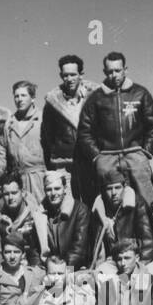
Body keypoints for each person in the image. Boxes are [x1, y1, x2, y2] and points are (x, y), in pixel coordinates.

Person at [77, 51, 153, 206]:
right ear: (104, 72)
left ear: (125, 70)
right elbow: (84, 131)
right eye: (109, 71)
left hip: (135, 156)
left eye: (117, 70)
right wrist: (97, 157)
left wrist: (146, 152)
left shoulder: (140, 93)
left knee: (146, 203)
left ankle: (150, 228)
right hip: (107, 158)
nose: (114, 75)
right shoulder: (96, 98)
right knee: (110, 204)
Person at [40, 54, 98, 201]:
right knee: (68, 207)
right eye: (65, 75)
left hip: (90, 161)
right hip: (64, 164)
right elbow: (47, 136)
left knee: (93, 204)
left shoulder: (96, 97)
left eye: (73, 74)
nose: (69, 79)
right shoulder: (52, 103)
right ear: (61, 75)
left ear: (81, 75)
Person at [88, 168, 153, 266]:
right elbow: (95, 246)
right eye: (109, 189)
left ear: (124, 187)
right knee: (104, 277)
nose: (113, 193)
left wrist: (142, 264)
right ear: (103, 190)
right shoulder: (99, 208)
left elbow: (148, 241)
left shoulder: (137, 204)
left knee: (140, 280)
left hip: (135, 258)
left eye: (117, 188)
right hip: (113, 260)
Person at [3, 80, 47, 201]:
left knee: (41, 214)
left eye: (23, 95)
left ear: (32, 98)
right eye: (16, 96)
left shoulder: (43, 119)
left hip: (39, 178)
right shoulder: (9, 123)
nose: (19, 99)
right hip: (17, 181)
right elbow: (2, 155)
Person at [38, 169, 91, 268]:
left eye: (57, 188)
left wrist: (62, 270)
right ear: (44, 191)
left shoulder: (79, 210)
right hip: (48, 268)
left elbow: (78, 249)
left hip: (73, 267)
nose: (53, 193)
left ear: (65, 189)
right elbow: (35, 250)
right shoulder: (39, 214)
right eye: (49, 190)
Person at [0, 169, 47, 266]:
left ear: (22, 192)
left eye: (14, 193)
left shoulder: (35, 218)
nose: (10, 198)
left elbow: (37, 253)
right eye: (6, 194)